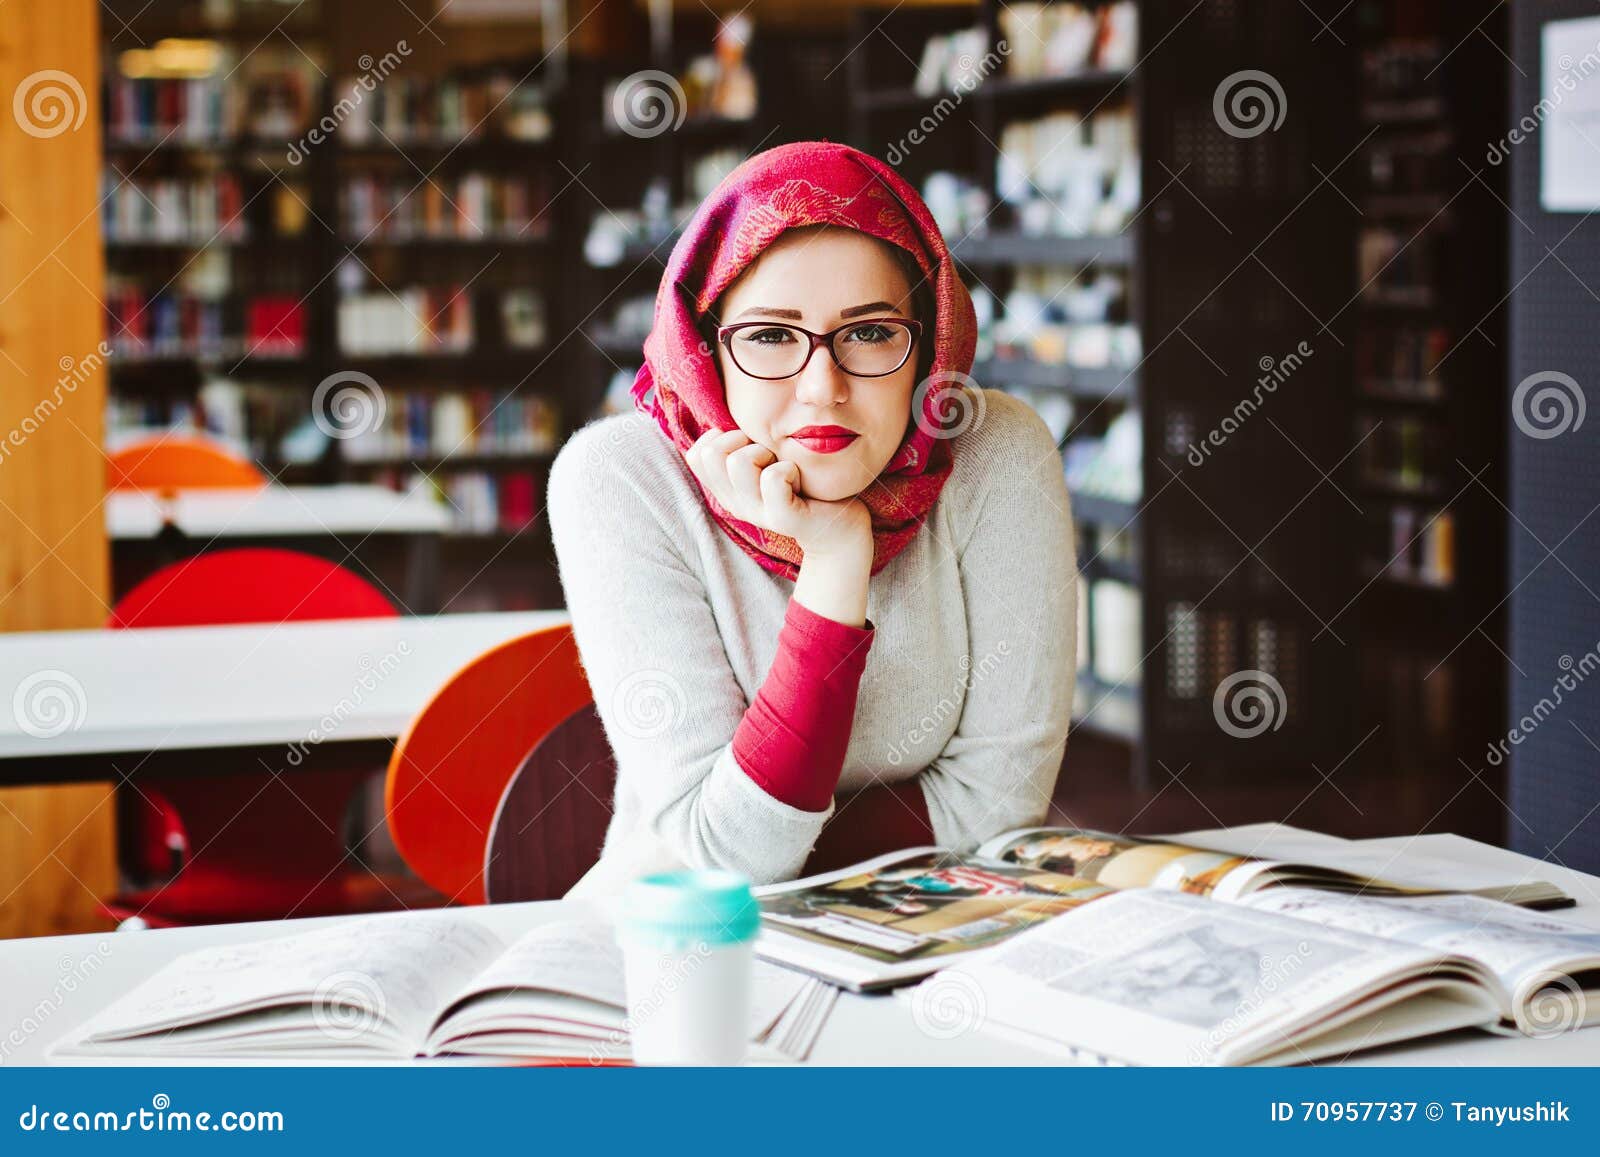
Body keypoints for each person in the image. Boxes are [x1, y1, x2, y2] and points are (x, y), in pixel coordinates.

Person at [549, 140, 1076, 897]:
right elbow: (723, 863)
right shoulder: (621, 479)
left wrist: (777, 834)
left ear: (931, 342)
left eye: (869, 332)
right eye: (769, 336)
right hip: (689, 954)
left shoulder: (998, 454)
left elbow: (1001, 812)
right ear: (706, 349)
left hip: (938, 935)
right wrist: (834, 564)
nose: (822, 387)